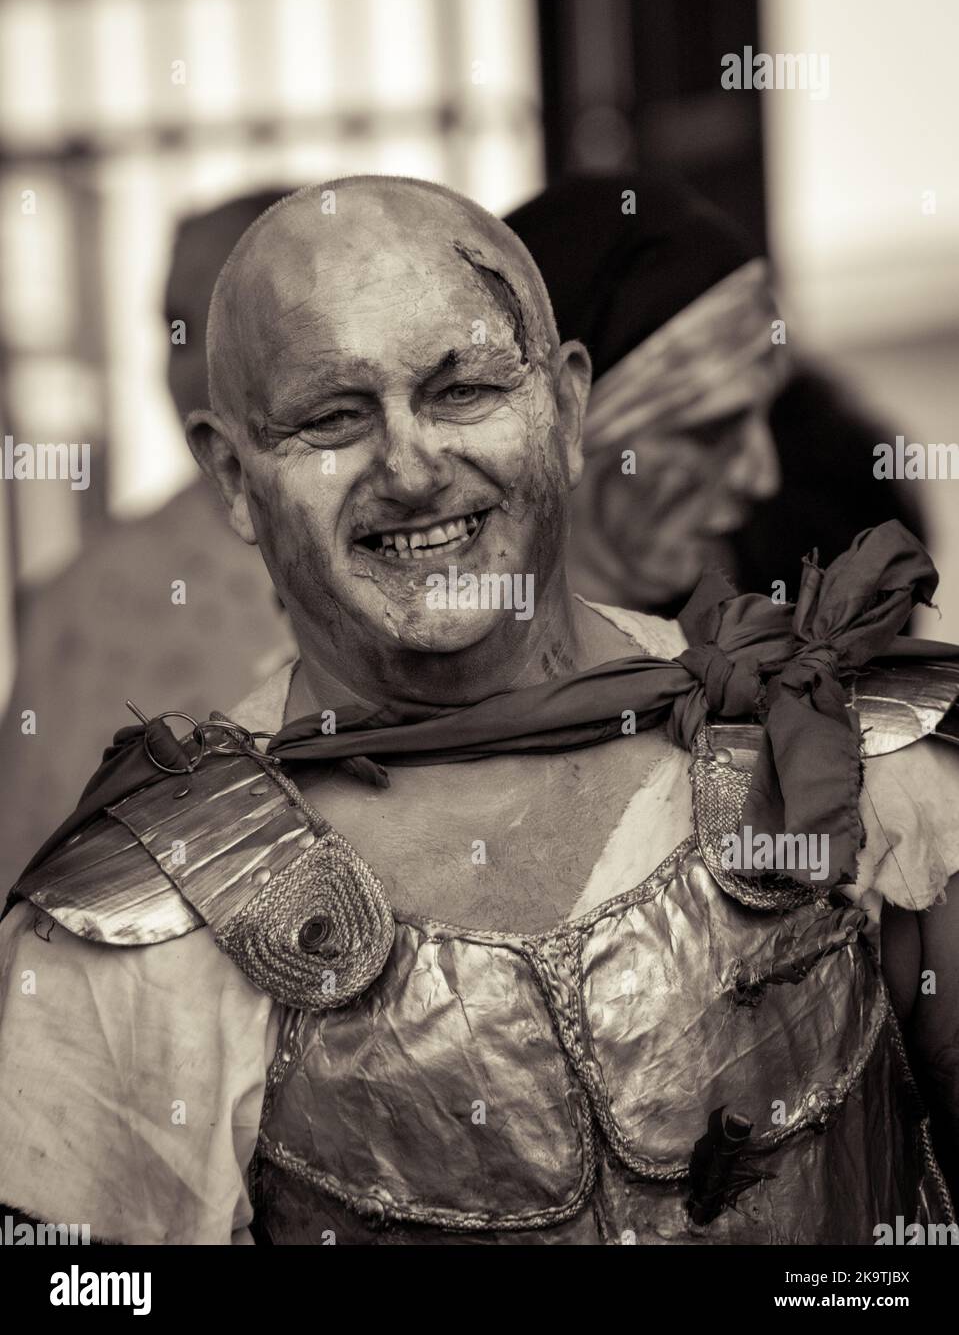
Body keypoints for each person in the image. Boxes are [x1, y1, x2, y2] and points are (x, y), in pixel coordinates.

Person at [0, 176, 957, 1245]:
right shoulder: (135, 924)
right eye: (331, 417)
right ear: (232, 476)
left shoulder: (843, 749)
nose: (411, 470)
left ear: (568, 404)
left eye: (463, 393)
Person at [0, 191, 294, 900]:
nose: (195, 366)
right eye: (177, 327)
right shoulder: (88, 600)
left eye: (238, 323)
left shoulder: (434, 565)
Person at [506, 174, 926, 615]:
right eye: (709, 431)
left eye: (771, 414)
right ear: (569, 417)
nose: (764, 477)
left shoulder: (766, 630)